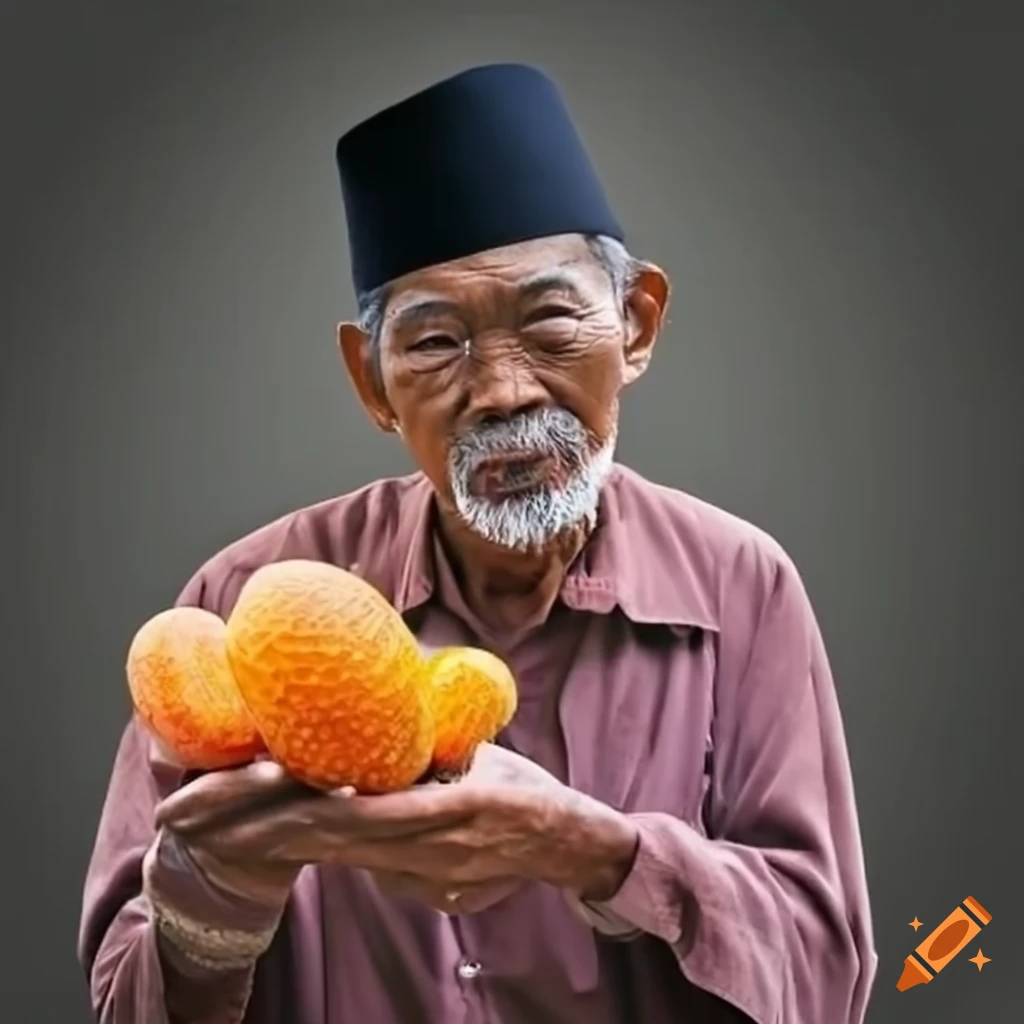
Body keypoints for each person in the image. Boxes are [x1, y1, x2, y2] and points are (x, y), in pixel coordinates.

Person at [78, 63, 878, 1023]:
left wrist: (594, 851)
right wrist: (219, 903)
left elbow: (825, 977)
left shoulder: (740, 588)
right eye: (434, 343)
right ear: (371, 384)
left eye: (548, 323)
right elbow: (122, 1001)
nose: (502, 391)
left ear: (635, 324)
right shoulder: (242, 603)